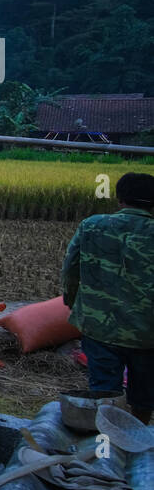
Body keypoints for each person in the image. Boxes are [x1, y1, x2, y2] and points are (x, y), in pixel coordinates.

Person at [62, 172, 154, 423]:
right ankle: (137, 435)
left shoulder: (92, 225)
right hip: (146, 333)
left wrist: (73, 303)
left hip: (98, 326)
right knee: (145, 394)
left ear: (119, 198)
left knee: (103, 390)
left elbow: (71, 269)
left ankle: (104, 446)